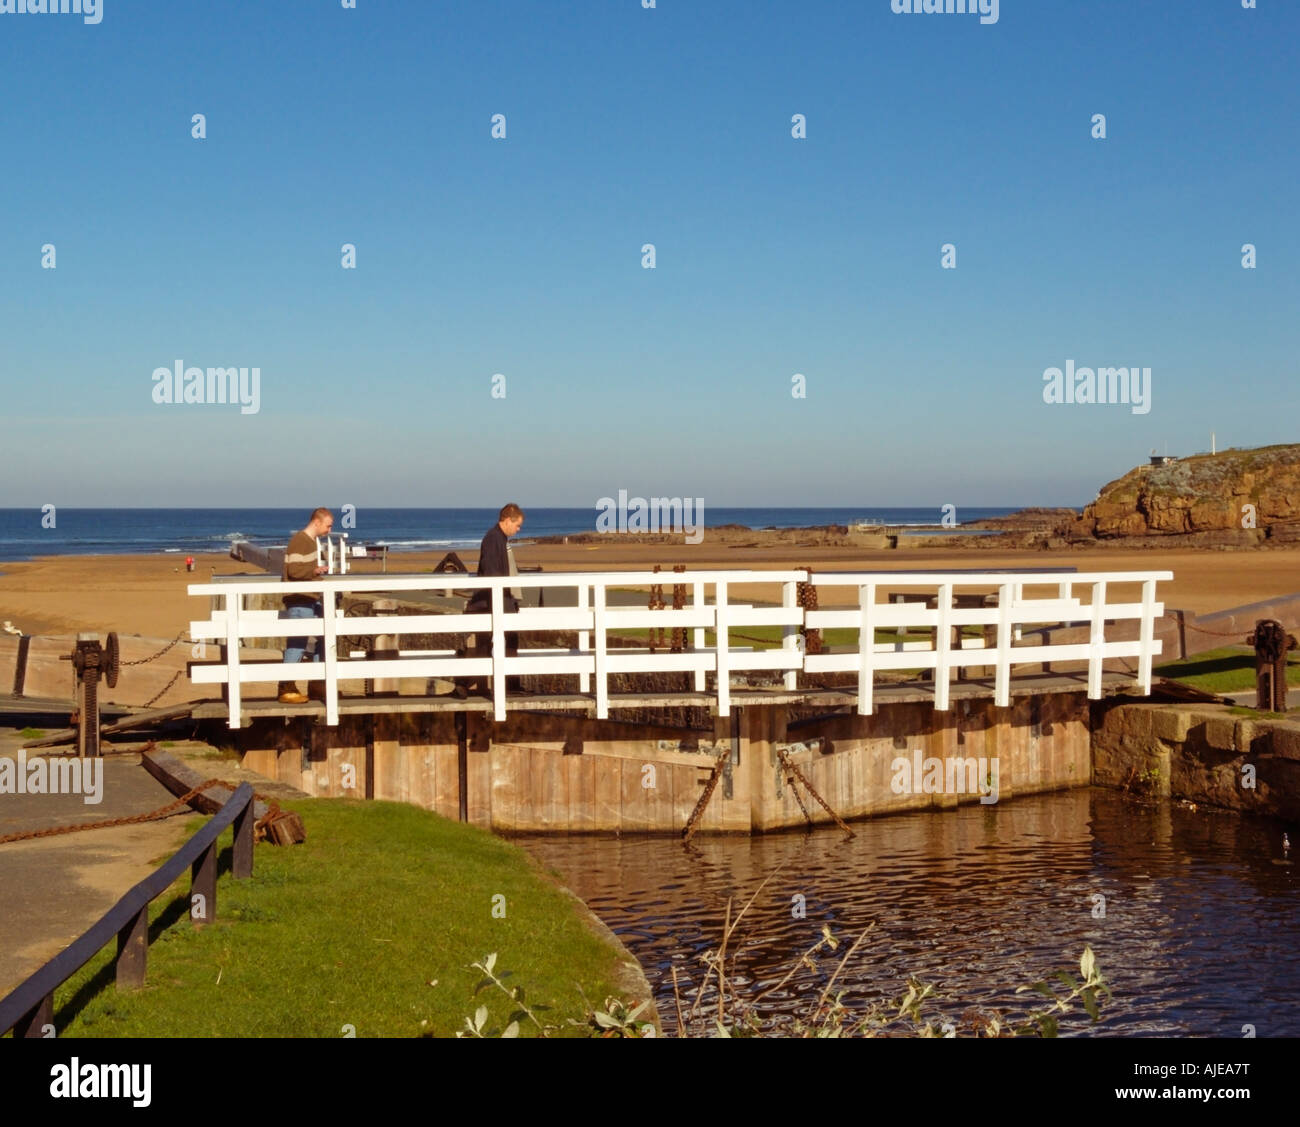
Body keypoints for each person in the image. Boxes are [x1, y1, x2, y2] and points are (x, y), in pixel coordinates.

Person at [461, 504, 525, 695]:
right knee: (501, 643)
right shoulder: (493, 539)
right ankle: (465, 684)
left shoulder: (499, 538)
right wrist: (504, 600)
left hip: (497, 601)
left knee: (496, 644)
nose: (518, 530)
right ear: (507, 520)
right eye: (518, 525)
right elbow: (491, 572)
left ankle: (509, 684)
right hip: (490, 603)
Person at [278, 507, 332, 704]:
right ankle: (286, 687)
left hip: (308, 598)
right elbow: (294, 571)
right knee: (298, 642)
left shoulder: (309, 541)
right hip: (299, 598)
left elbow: (299, 570)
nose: (329, 531)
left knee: (325, 635)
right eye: (328, 526)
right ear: (317, 522)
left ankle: (317, 684)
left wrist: (314, 573)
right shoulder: (301, 541)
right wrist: (315, 571)